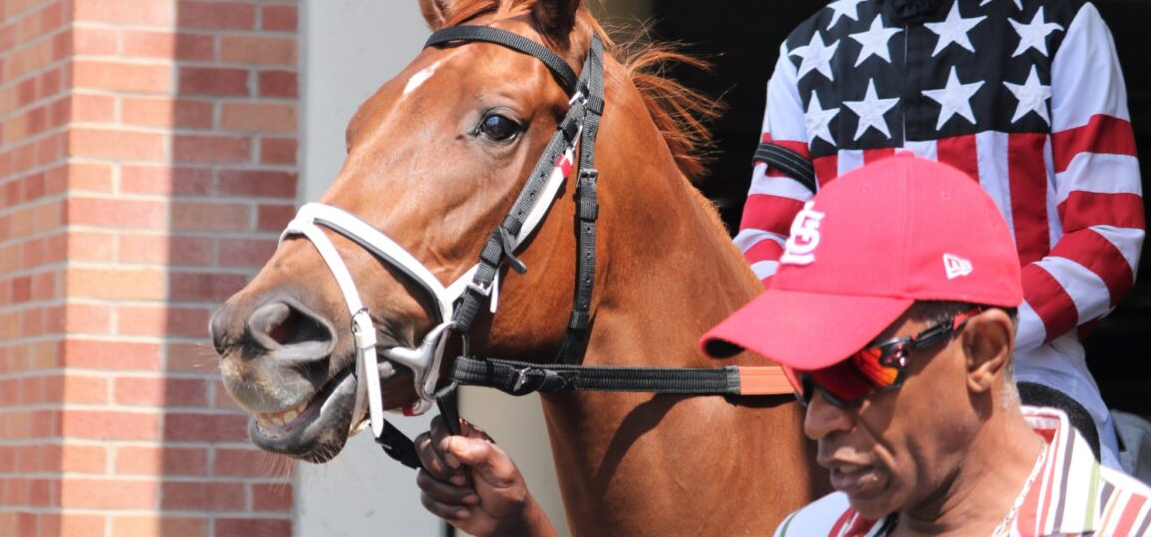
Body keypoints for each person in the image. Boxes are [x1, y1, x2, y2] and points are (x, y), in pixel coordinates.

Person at [739, 0, 1143, 470]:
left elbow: (1107, 243)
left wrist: (952, 342)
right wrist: (842, 347)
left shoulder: (1062, 29)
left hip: (1027, 381)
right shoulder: (809, 49)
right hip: (847, 386)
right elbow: (763, 246)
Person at [416, 156, 1151, 536]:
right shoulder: (815, 529)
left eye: (858, 367)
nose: (817, 420)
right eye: (807, 379)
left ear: (986, 351)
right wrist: (520, 529)